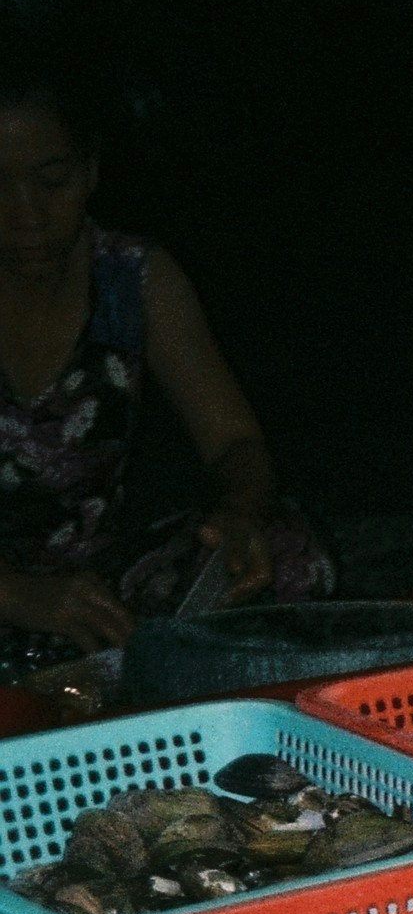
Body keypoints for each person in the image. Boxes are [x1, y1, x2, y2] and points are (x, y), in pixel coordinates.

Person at [0, 64, 325, 654]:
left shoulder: (131, 276)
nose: (26, 216)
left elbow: (234, 443)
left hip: (90, 588)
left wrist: (238, 511)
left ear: (90, 170)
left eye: (51, 182)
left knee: (281, 552)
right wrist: (17, 594)